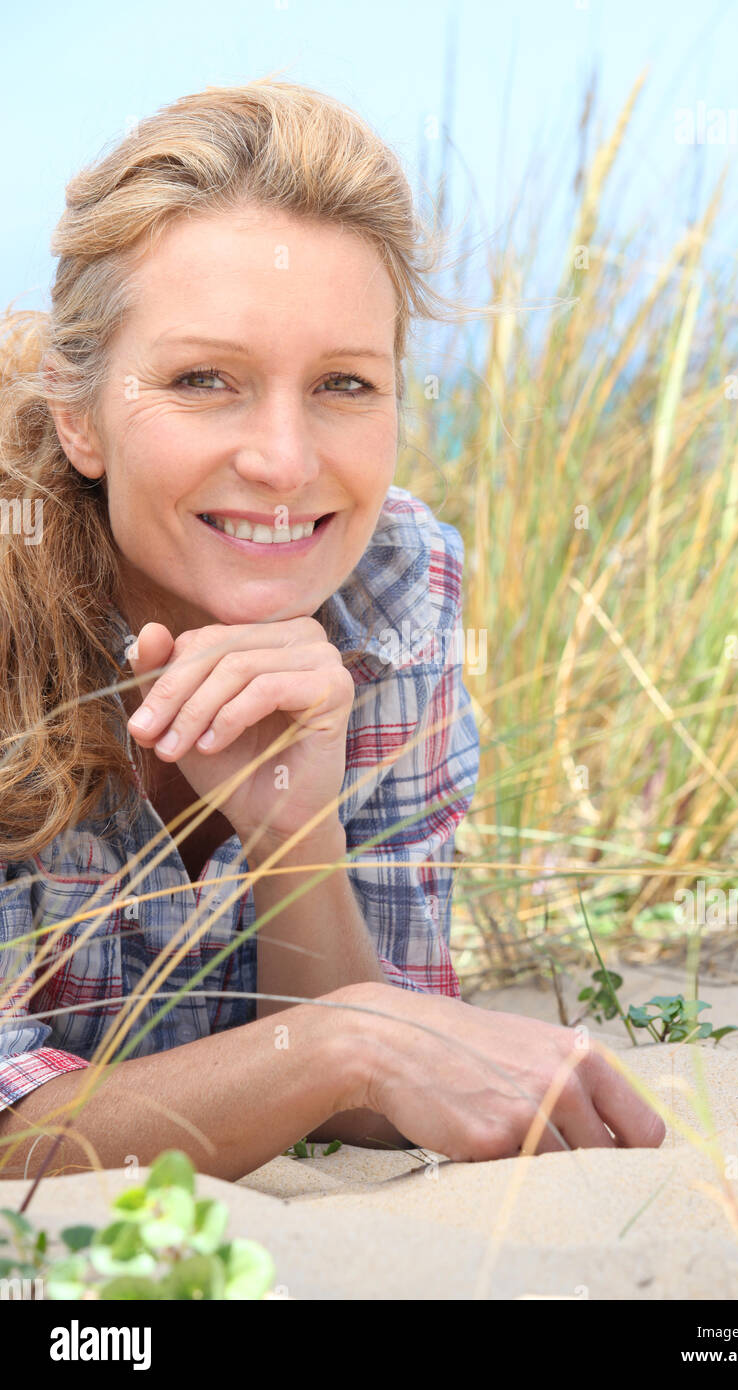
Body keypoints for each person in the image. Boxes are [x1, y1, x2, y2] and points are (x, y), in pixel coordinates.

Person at [0, 77, 664, 1183]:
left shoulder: (396, 587)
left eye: (344, 384)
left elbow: (396, 1088)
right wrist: (341, 1040)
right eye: (204, 379)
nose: (286, 461)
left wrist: (291, 829)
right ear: (81, 417)